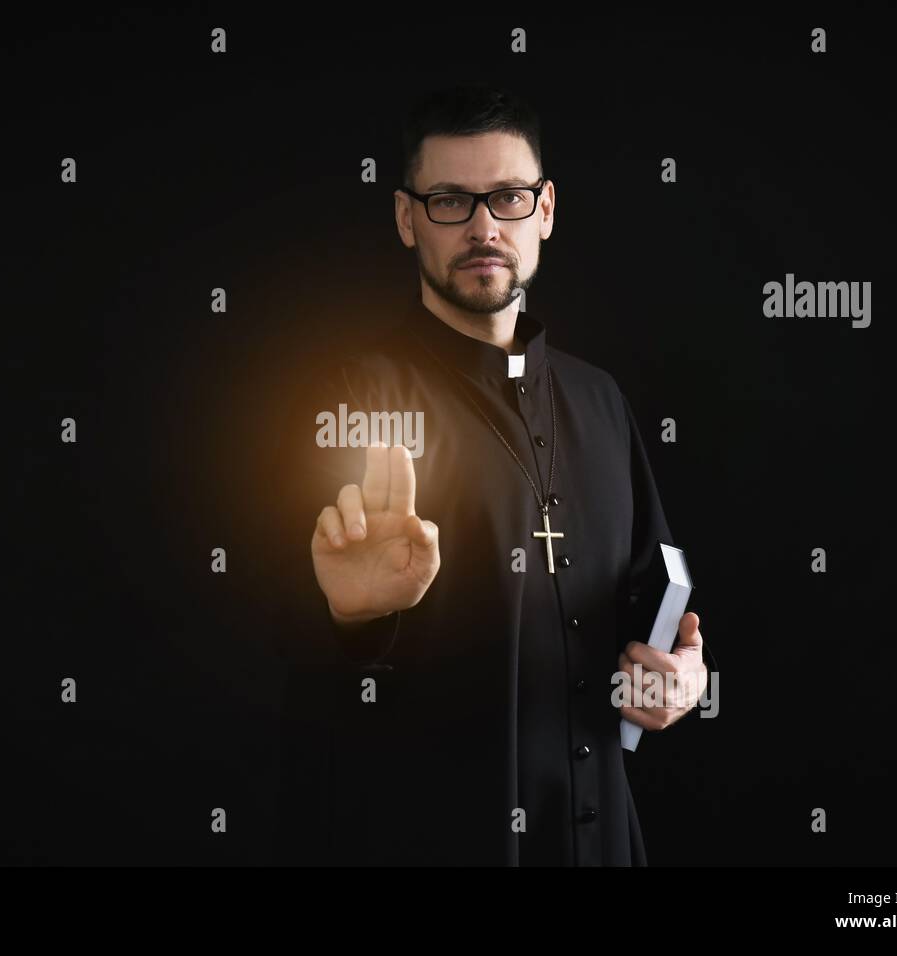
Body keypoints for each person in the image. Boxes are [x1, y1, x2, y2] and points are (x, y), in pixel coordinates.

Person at [265, 84, 716, 866]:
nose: (483, 228)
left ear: (545, 209)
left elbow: (657, 607)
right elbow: (273, 657)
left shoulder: (599, 399)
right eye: (449, 201)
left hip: (603, 837)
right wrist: (350, 615)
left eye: (508, 197)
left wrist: (679, 681)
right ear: (406, 218)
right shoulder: (348, 399)